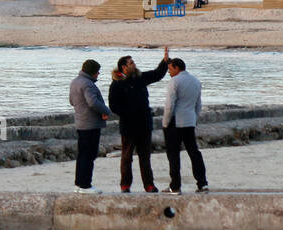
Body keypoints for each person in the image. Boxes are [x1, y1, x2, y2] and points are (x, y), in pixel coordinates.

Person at [107, 48, 169, 193]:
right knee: (127, 157)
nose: (134, 64)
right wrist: (129, 113)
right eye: (131, 63)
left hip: (144, 125)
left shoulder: (140, 78)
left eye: (133, 62)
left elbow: (157, 74)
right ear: (124, 67)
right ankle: (125, 185)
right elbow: (113, 106)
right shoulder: (116, 84)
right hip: (128, 126)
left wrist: (164, 62)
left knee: (145, 157)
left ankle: (149, 185)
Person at [161, 57, 208, 194]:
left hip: (175, 122)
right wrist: (194, 117)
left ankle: (175, 186)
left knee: (173, 154)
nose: (169, 72)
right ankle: (202, 183)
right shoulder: (196, 81)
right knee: (194, 153)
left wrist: (165, 122)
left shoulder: (174, 82)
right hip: (189, 121)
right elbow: (198, 105)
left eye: (170, 69)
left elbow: (170, 106)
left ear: (176, 68)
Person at [69, 59, 109, 194]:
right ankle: (85, 185)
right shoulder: (88, 84)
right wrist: (105, 111)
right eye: (97, 72)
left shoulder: (75, 81)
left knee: (82, 155)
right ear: (92, 72)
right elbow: (93, 102)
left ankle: (79, 184)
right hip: (91, 124)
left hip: (80, 123)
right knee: (89, 155)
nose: (98, 74)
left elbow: (71, 101)